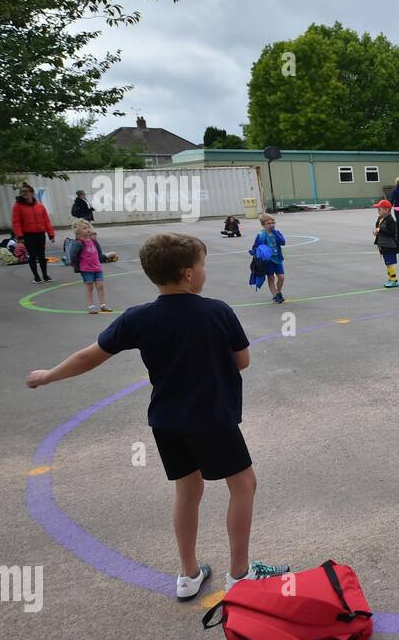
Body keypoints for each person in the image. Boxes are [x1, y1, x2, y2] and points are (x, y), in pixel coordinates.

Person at [25, 232, 287, 599]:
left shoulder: (138, 318)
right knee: (244, 486)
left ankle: (188, 574)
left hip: (167, 421)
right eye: (203, 264)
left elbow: (91, 355)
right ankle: (240, 574)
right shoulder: (217, 311)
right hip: (212, 419)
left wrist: (48, 375)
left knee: (187, 489)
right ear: (188, 274)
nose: (204, 270)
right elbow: (242, 360)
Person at [11, 182, 54, 283]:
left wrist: (51, 234)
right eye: (22, 192)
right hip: (28, 235)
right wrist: (20, 236)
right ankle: (36, 277)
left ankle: (45, 275)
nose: (24, 193)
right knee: (33, 255)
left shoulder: (40, 206)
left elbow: (46, 220)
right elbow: (16, 222)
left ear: (32, 193)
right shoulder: (17, 206)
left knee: (42, 256)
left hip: (40, 234)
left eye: (26, 191)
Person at [68, 218, 112, 314]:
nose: (87, 229)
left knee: (100, 286)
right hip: (87, 270)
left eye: (88, 227)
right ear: (77, 230)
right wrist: (78, 267)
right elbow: (73, 256)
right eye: (84, 228)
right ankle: (91, 306)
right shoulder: (78, 243)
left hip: (97, 268)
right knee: (90, 288)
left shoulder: (93, 241)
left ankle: (103, 305)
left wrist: (106, 256)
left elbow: (99, 255)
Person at [251, 215, 286, 303]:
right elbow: (255, 247)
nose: (271, 225)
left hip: (277, 259)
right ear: (263, 225)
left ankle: (279, 291)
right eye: (268, 223)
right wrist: (257, 252)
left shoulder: (277, 232)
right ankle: (275, 296)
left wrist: (275, 232)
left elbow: (283, 242)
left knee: (281, 277)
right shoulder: (261, 235)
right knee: (271, 278)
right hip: (268, 261)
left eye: (272, 223)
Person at [373, 198, 399, 288]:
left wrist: (380, 230)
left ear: (387, 210)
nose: (378, 211)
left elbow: (391, 232)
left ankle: (394, 280)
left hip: (390, 245)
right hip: (384, 245)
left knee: (389, 263)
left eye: (380, 209)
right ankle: (390, 278)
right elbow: (381, 230)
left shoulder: (390, 220)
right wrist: (376, 231)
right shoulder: (382, 219)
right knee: (387, 263)